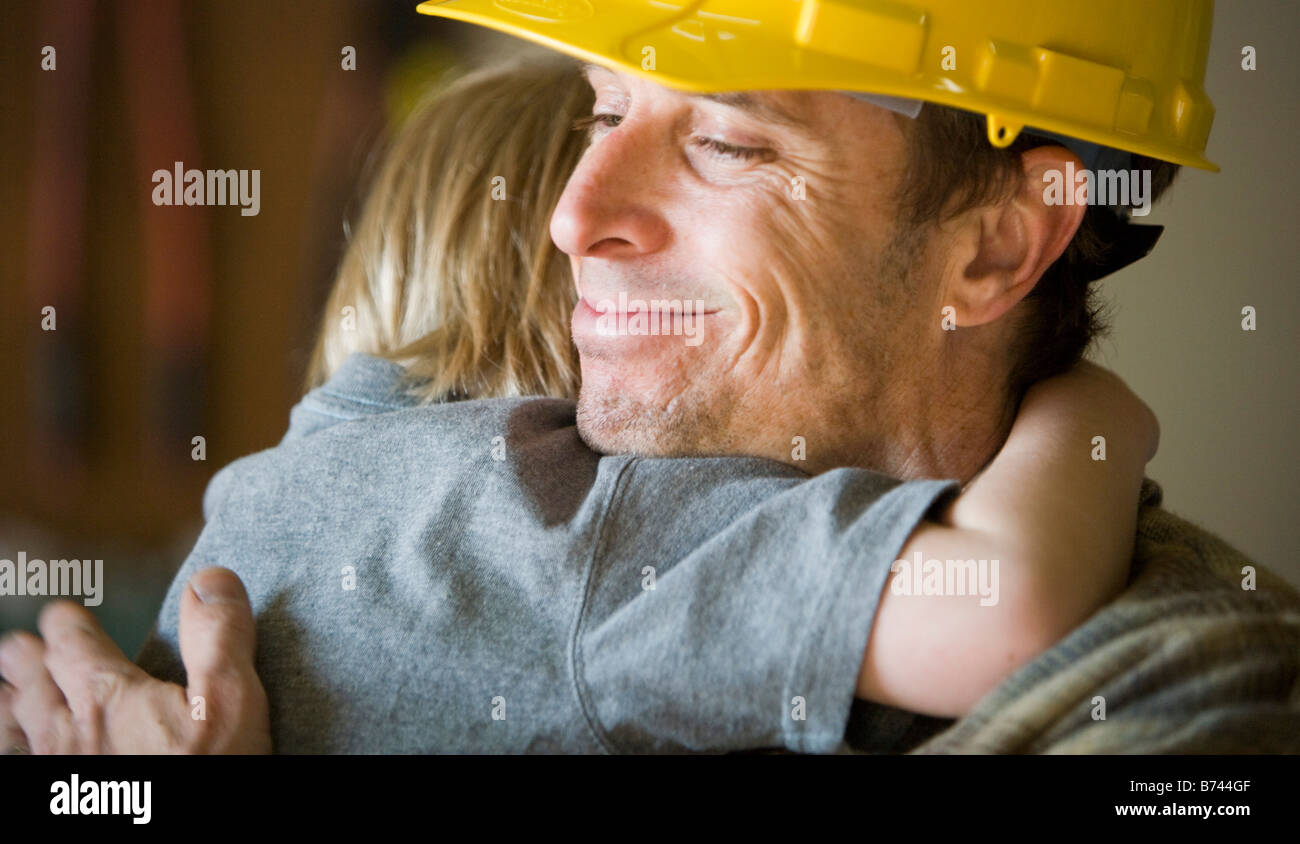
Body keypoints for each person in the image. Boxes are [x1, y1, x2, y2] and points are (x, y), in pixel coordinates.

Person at [0, 56, 1156, 753]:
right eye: (603, 114)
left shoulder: (356, 442)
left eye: (721, 140)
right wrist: (1093, 411)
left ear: (1001, 243)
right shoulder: (564, 518)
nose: (574, 213)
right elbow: (1002, 608)